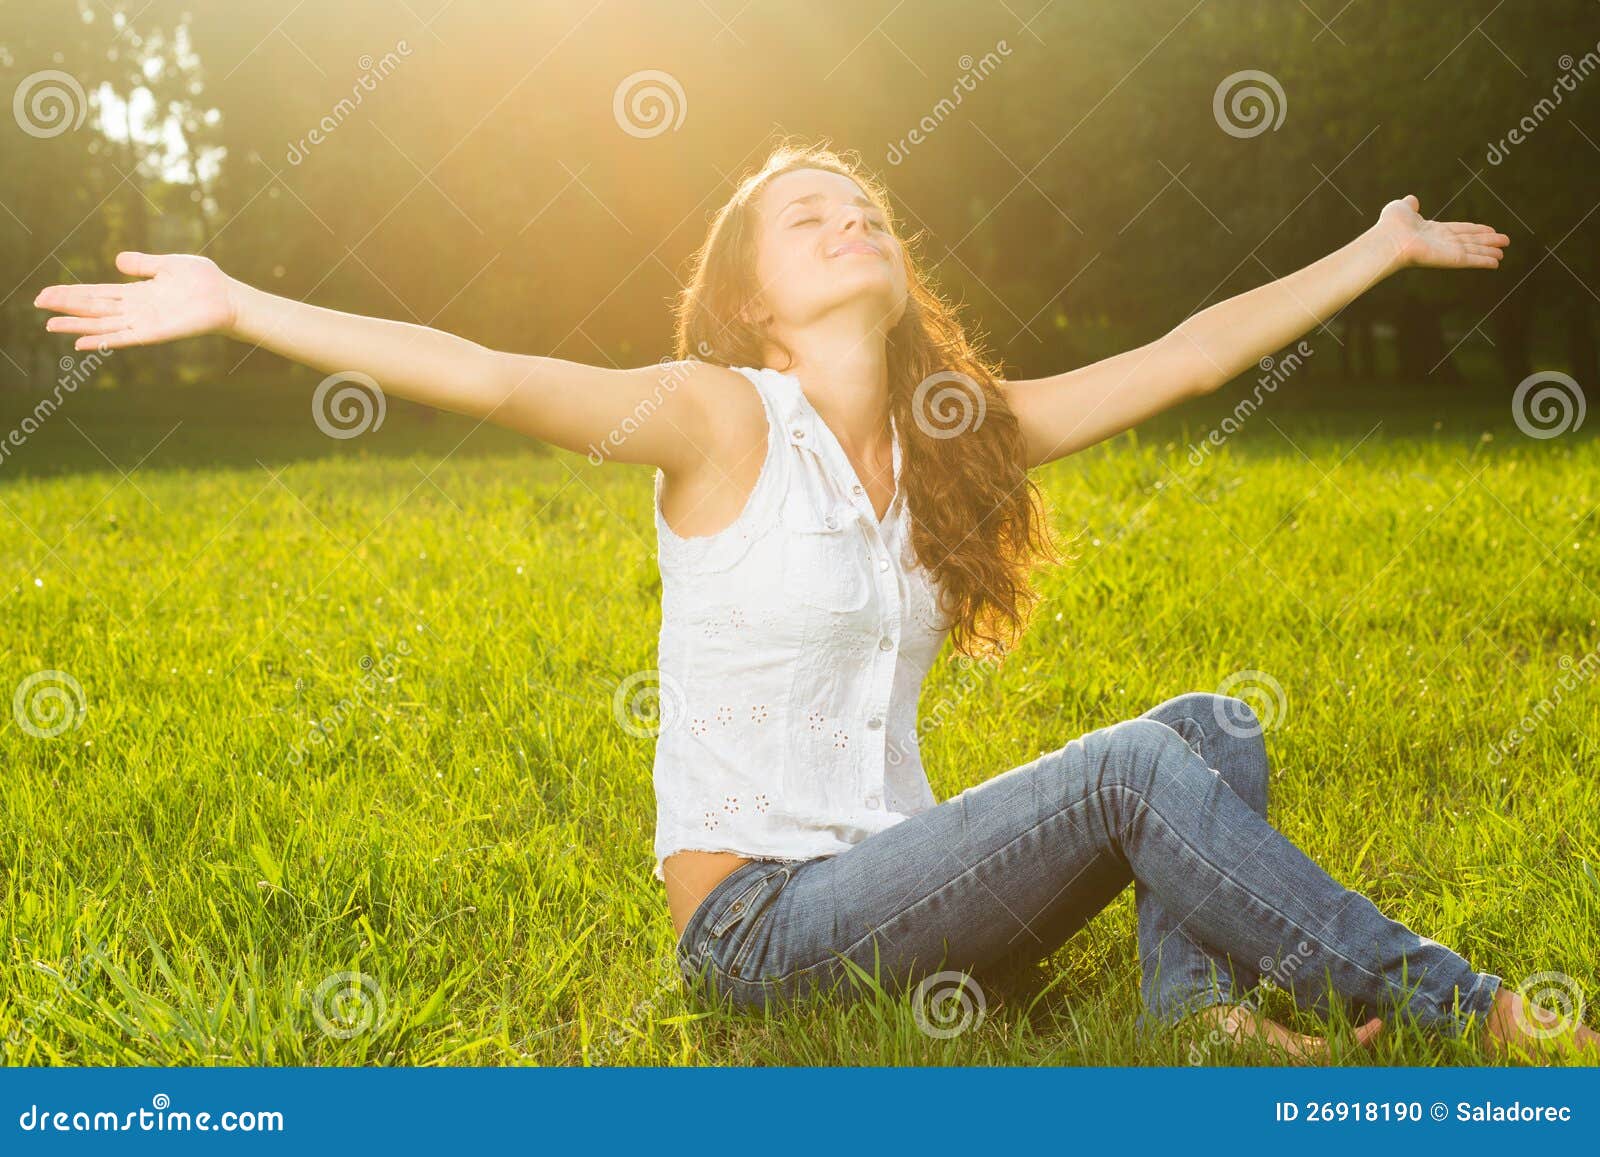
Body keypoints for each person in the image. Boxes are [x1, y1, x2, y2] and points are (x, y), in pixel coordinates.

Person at [34, 140, 1592, 1064]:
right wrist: (241, 305)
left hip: (911, 897)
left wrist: (1372, 252)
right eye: (808, 214)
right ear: (753, 299)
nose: (854, 216)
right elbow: (495, 372)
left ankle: (1194, 1015)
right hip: (765, 928)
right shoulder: (717, 419)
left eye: (866, 202)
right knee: (1130, 768)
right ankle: (1462, 1011)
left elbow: (1185, 354)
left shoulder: (954, 434)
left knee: (1211, 725)